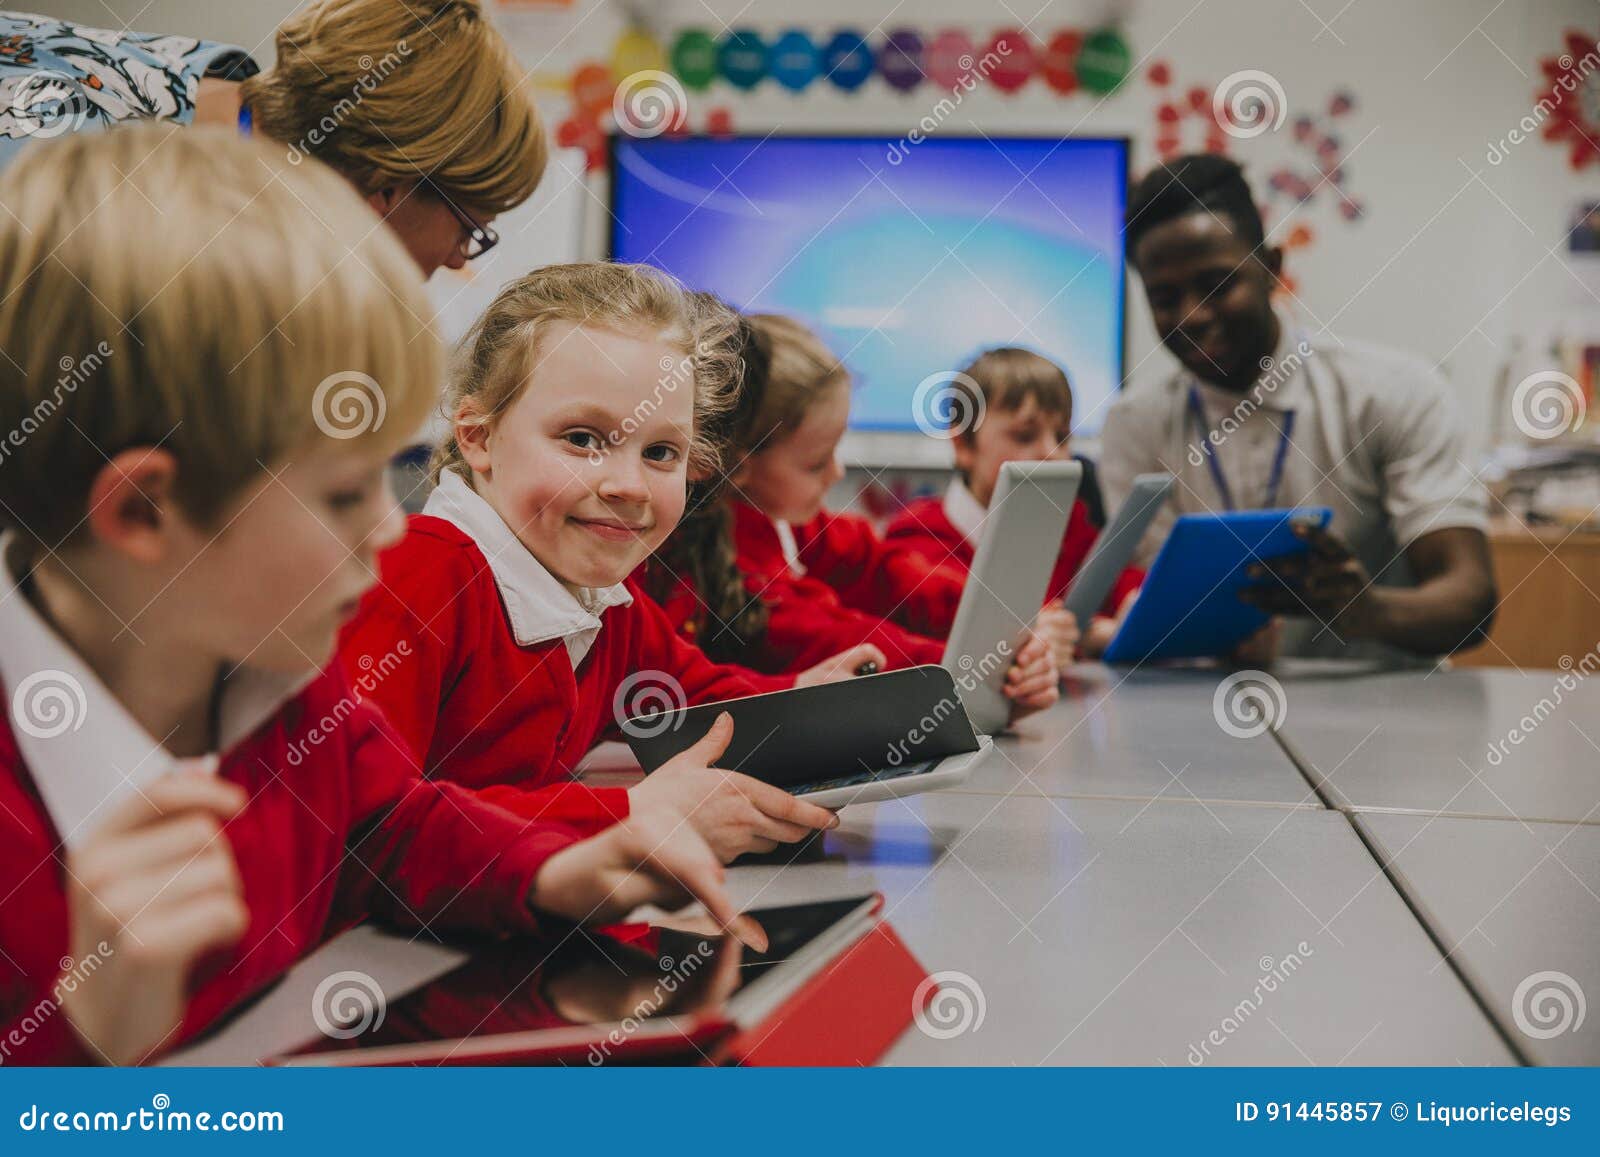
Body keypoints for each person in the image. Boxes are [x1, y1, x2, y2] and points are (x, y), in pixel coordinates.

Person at [0, 126, 754, 1066]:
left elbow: (394, 828)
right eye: (347, 493)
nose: (394, 528)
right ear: (146, 510)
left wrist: (556, 867)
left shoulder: (283, 685)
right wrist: (91, 1044)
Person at [335, 266, 868, 864]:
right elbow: (363, 824)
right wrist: (634, 816)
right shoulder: (421, 576)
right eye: (582, 439)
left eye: (661, 452)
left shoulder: (603, 597)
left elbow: (700, 703)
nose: (628, 485)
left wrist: (813, 703)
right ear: (478, 437)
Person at [1100, 153, 1496, 660]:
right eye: (1164, 296)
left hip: (1381, 714)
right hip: (1201, 712)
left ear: (1272, 270)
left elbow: (1470, 600)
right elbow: (1158, 615)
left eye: (1216, 285)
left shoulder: (1395, 391)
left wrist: (1366, 610)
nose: (1192, 315)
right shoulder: (1135, 425)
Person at [0, 0, 541, 278]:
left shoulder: (198, 79)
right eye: (469, 231)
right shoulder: (67, 206)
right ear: (386, 187)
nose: (455, 261)